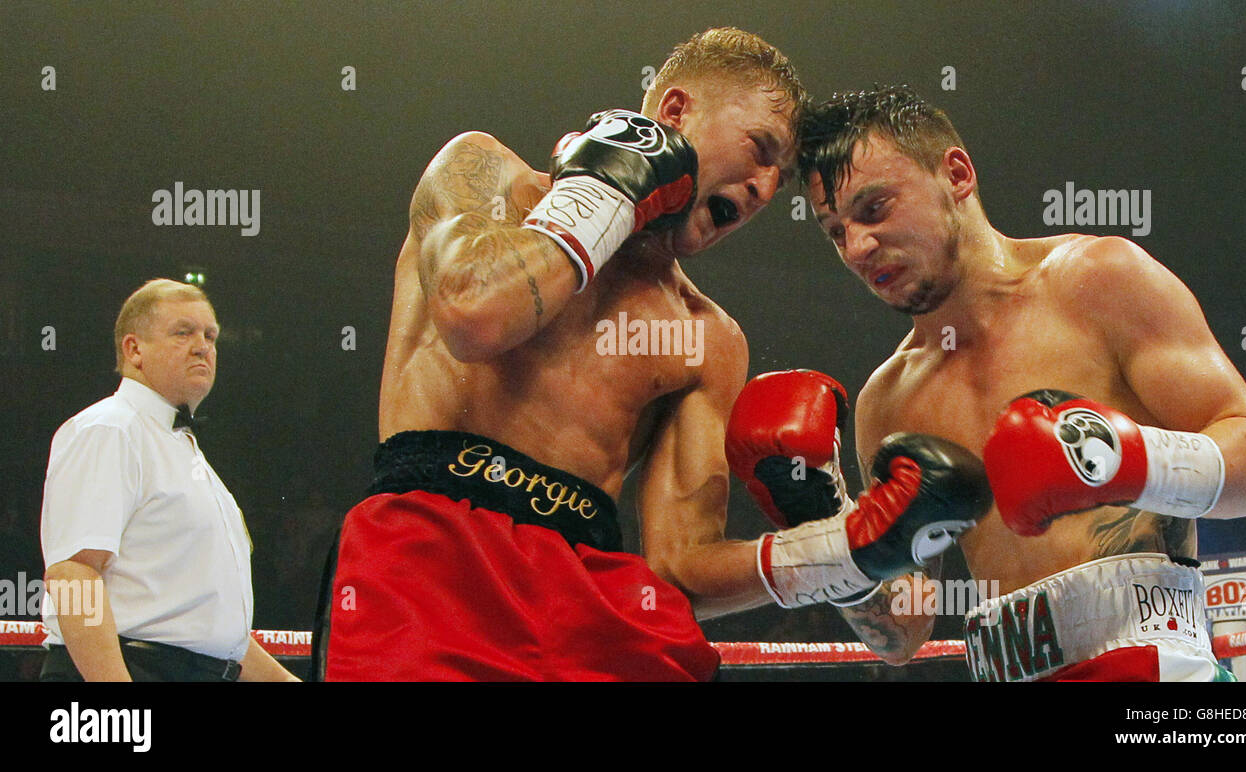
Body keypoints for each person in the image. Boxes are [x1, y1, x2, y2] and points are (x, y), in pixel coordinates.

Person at [316, 29, 987, 681]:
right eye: (757, 149)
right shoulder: (490, 178)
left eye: (774, 181)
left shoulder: (705, 336)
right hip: (428, 564)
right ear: (672, 111)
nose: (759, 187)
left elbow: (679, 570)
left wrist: (842, 545)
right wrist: (606, 190)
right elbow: (475, 313)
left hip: (587, 598)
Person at [789, 85, 1246, 681]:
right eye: (835, 231)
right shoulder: (888, 401)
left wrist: (1119, 460)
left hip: (1155, 668)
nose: (858, 247)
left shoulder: (1098, 282)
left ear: (956, 174)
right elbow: (901, 630)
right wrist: (816, 515)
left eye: (874, 209)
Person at [39, 278, 297, 682]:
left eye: (210, 335)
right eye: (183, 332)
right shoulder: (110, 429)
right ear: (134, 349)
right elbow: (73, 574)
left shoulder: (184, 452)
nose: (203, 345)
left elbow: (211, 634)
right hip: (129, 671)